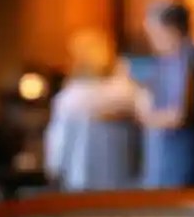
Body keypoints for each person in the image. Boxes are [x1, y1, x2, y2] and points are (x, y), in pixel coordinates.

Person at [137, 3, 194, 188]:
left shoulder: (191, 58)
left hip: (182, 163)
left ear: (170, 29)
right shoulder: (165, 61)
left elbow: (179, 114)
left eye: (153, 33)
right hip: (164, 162)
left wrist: (144, 117)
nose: (152, 40)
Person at [44, 57, 145, 191]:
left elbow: (57, 140)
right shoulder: (129, 92)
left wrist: (53, 167)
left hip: (78, 175)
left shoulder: (68, 98)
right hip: (123, 174)